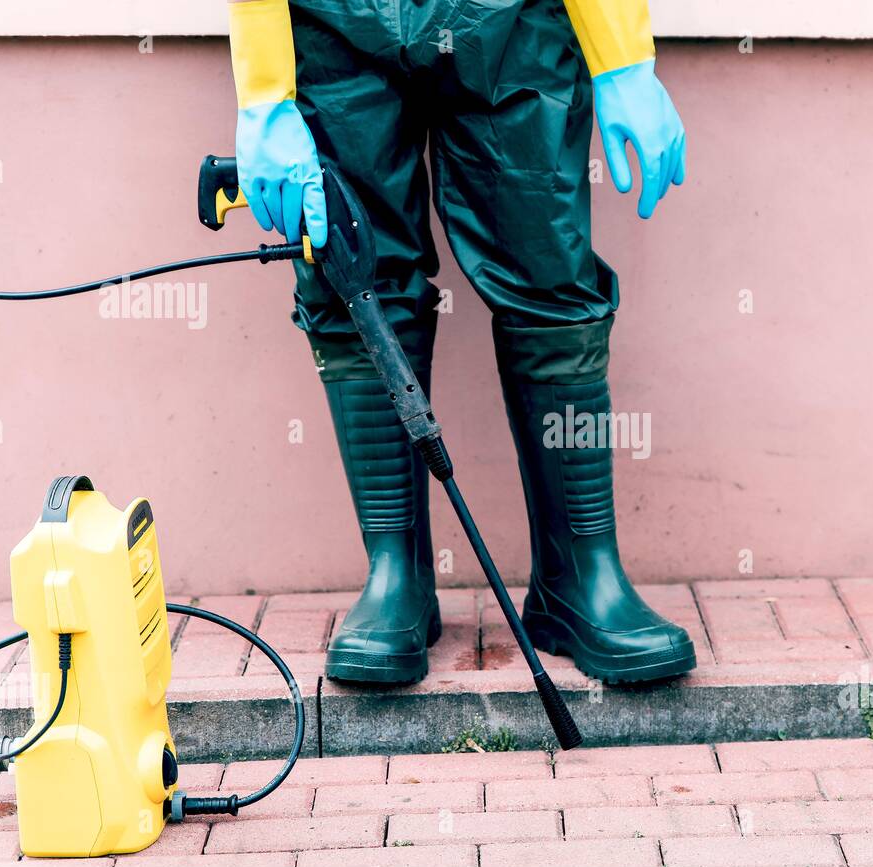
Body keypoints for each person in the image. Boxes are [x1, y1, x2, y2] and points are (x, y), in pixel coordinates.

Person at [227, 0, 693, 685]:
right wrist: (264, 93)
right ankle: (398, 579)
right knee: (356, 277)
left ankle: (582, 577)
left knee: (550, 270)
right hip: (333, 21)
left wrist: (623, 55)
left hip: (509, 19)